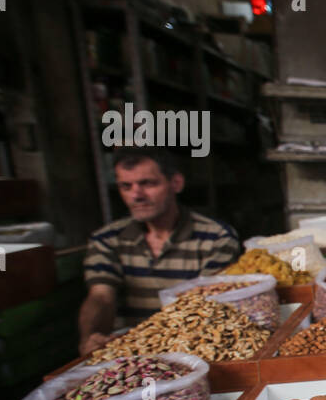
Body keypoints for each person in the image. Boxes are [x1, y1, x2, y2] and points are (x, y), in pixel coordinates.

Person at [78, 147, 240, 356]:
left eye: (147, 184)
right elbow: (101, 297)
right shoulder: (107, 239)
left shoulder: (216, 237)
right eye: (126, 186)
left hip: (192, 346)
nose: (136, 195)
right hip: (128, 350)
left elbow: (208, 307)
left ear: (176, 183)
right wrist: (91, 337)